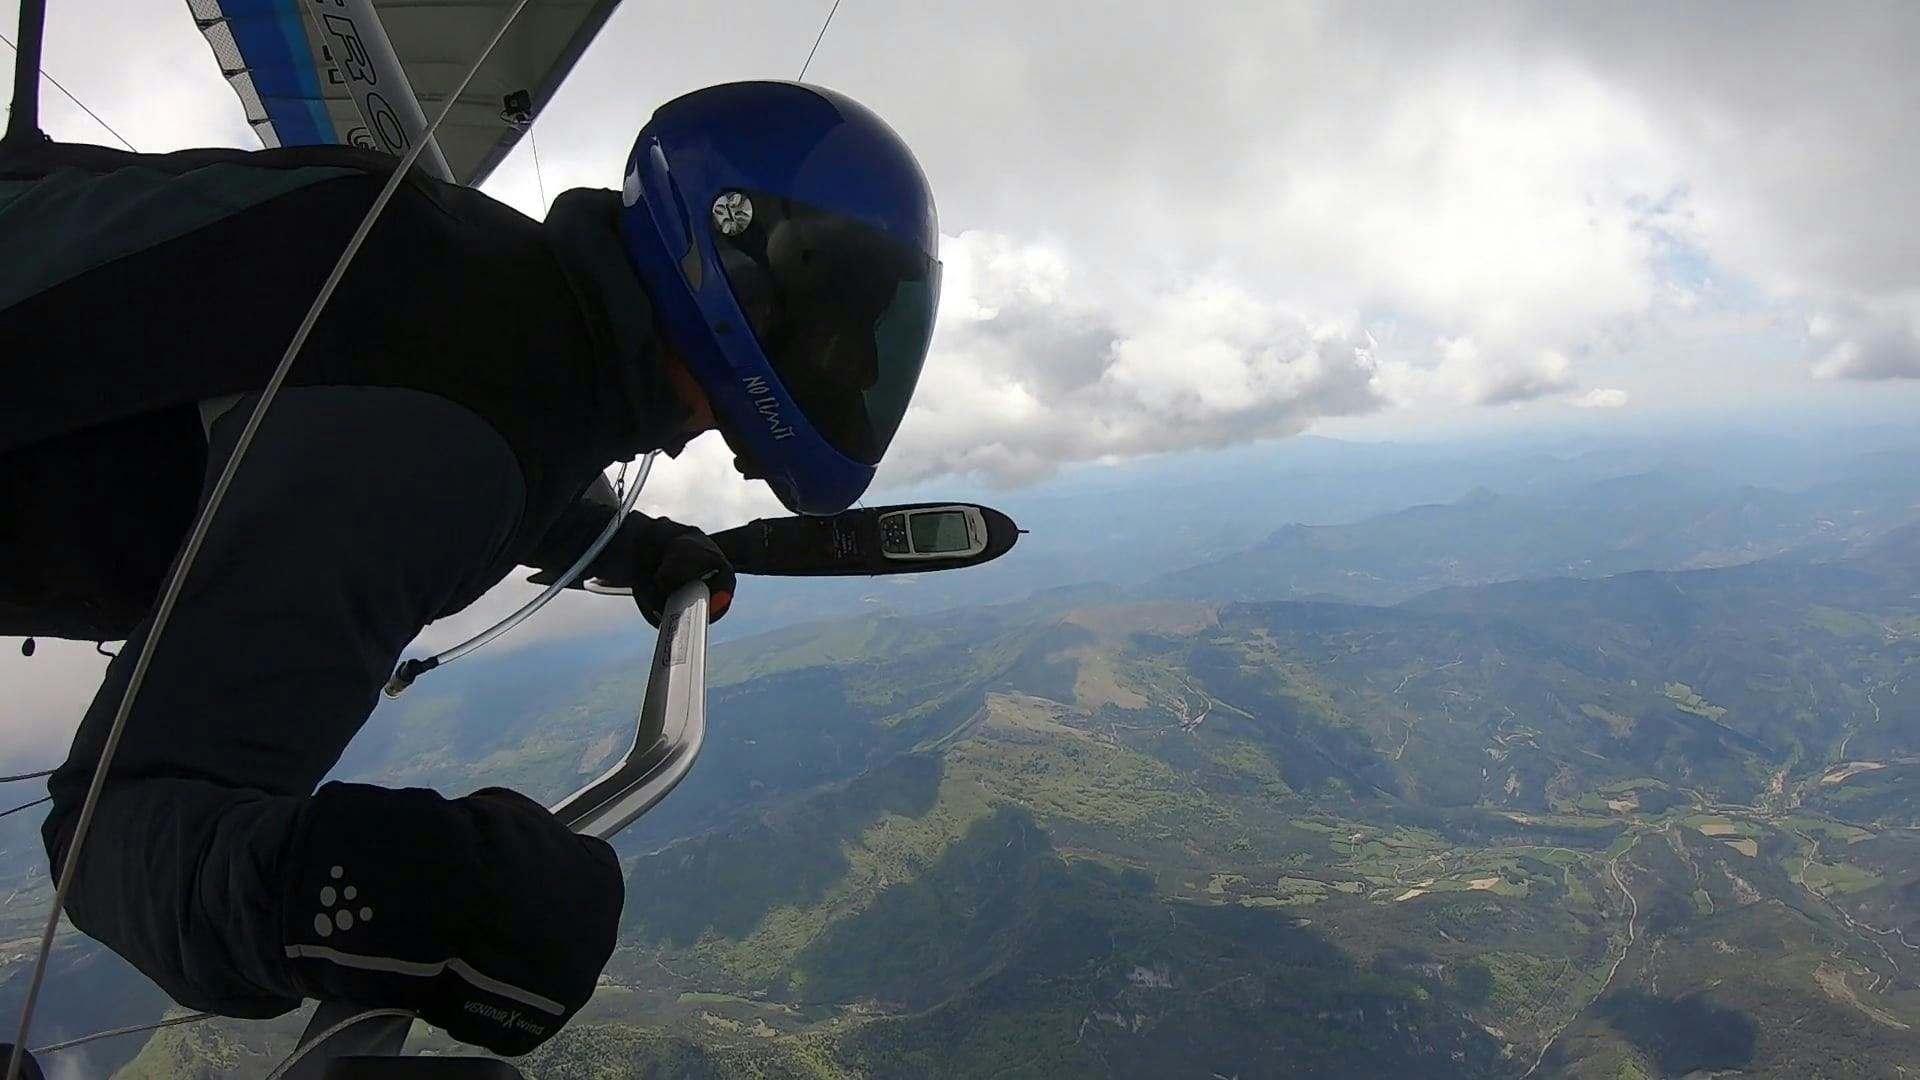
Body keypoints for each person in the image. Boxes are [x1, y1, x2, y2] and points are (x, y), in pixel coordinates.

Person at [0, 81, 940, 1054]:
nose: (857, 368)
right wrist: (370, 894)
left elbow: (454, 429)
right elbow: (110, 831)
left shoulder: (505, 301)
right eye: (847, 335)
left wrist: (635, 544)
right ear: (759, 278)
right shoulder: (457, 421)